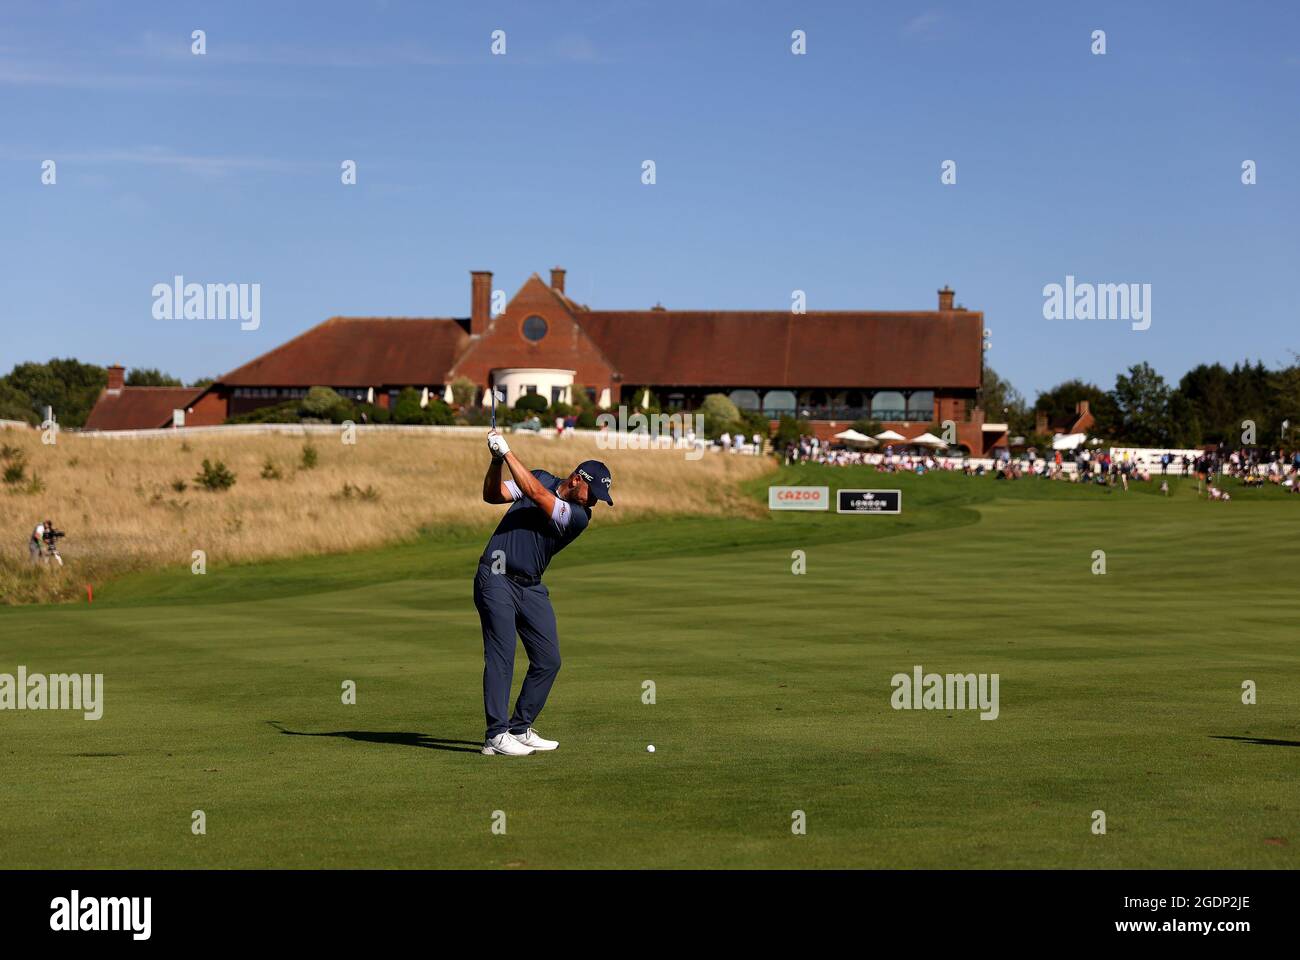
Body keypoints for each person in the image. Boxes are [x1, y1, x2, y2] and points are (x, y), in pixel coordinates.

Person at [474, 429, 613, 756]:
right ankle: (496, 735)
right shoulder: (538, 476)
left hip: (531, 587)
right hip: (495, 578)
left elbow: (536, 495)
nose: (595, 502)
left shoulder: (579, 517)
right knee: (502, 655)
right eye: (593, 493)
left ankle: (520, 727)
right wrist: (496, 462)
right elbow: (493, 496)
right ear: (578, 479)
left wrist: (507, 453)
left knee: (548, 660)